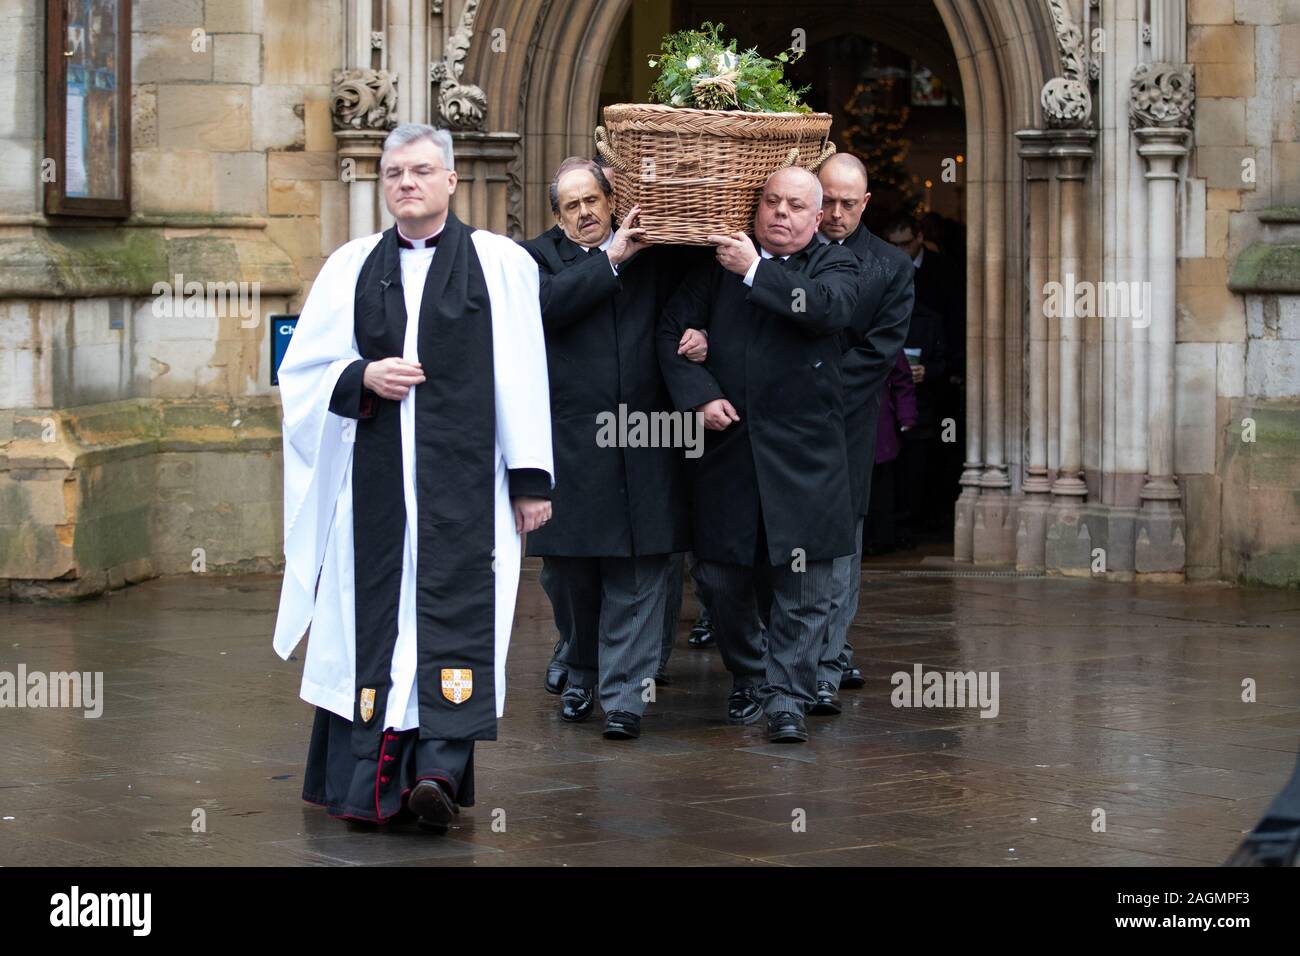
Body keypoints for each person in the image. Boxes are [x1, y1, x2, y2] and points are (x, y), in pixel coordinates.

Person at [271, 123, 554, 830]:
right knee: (379, 630)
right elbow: (301, 374)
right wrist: (362, 374)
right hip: (376, 497)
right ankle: (379, 781)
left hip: (470, 492)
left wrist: (530, 478)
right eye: (395, 172)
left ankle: (437, 770)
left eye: (422, 171)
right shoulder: (351, 265)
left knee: (461, 621)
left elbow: (522, 370)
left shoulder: (499, 263)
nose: (406, 184)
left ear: (452, 181)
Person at [658, 166, 861, 744]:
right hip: (730, 453)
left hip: (805, 462)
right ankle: (752, 674)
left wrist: (754, 270)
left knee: (806, 590)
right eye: (771, 201)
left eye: (795, 206)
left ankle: (789, 697)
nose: (780, 214)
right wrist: (699, 394)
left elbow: (824, 309)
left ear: (817, 218)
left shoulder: (835, 264)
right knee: (720, 580)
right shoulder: (715, 265)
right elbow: (670, 330)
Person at [521, 160, 705, 740]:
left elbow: (694, 296)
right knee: (569, 575)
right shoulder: (534, 260)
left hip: (647, 441)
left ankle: (625, 697)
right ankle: (580, 666)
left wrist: (700, 335)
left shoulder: (653, 251)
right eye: (571, 205)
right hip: (573, 445)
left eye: (593, 200)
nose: (584, 212)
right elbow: (544, 310)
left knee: (642, 572)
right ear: (556, 215)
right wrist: (610, 260)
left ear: (611, 199)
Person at [812, 154, 914, 715]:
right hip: (781, 426)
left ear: (866, 204)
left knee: (841, 547)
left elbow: (879, 351)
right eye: (827, 199)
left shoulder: (890, 267)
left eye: (849, 203)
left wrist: (810, 387)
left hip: (845, 423)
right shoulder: (788, 252)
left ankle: (827, 661)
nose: (835, 213)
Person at [863, 351, 918, 554]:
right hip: (848, 424)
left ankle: (880, 539)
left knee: (880, 486)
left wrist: (907, 416)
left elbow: (901, 379)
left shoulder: (886, 340)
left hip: (879, 424)